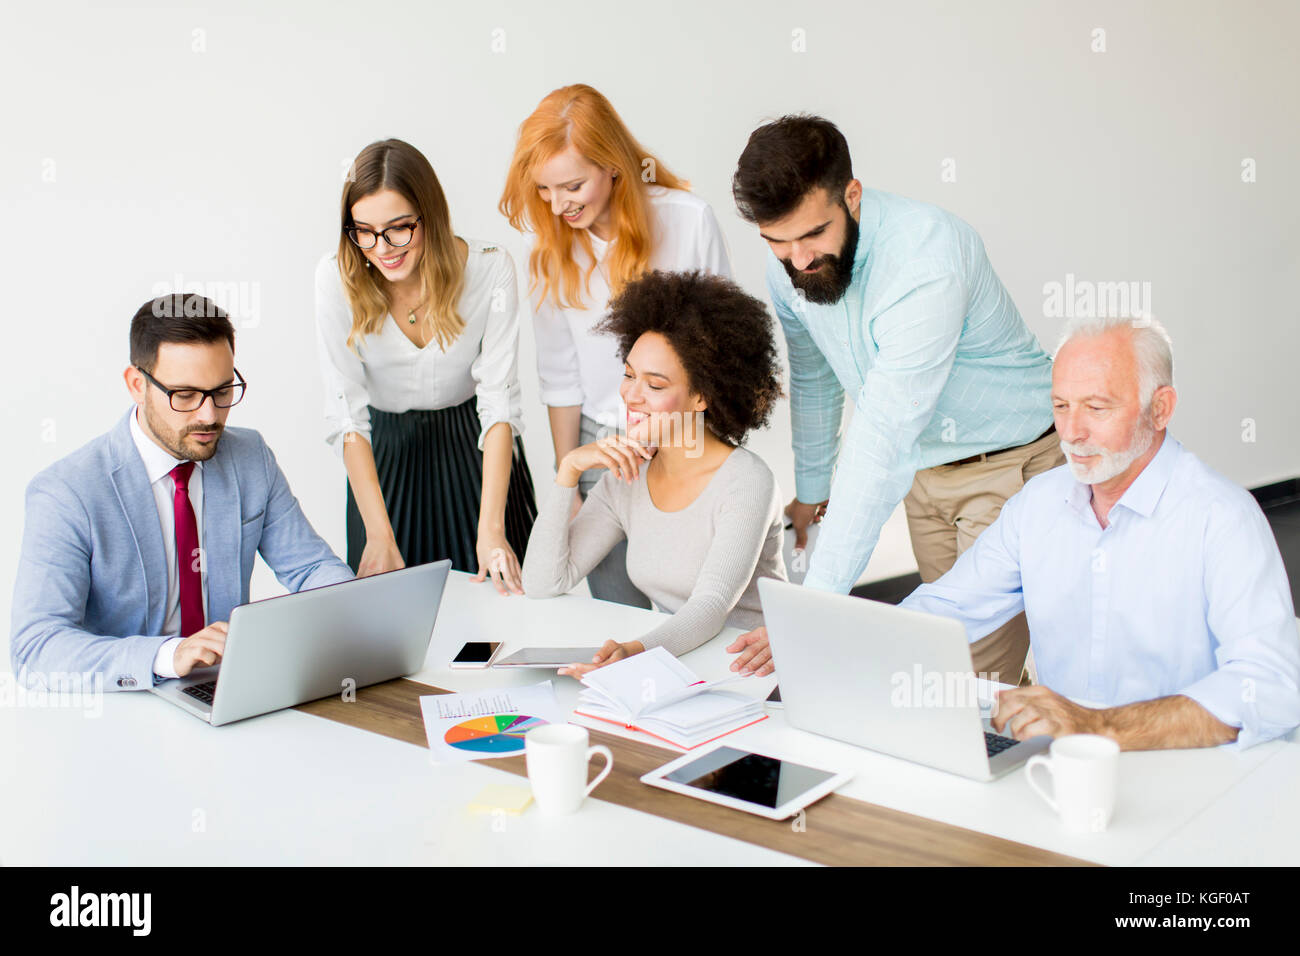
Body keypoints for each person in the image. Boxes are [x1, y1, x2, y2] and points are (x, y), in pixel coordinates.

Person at [728, 114, 1062, 684]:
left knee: (968, 678)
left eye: (813, 234)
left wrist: (812, 610)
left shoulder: (926, 257)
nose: (798, 260)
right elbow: (814, 375)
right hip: (925, 477)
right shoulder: (786, 262)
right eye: (777, 241)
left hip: (1009, 466)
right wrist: (812, 493)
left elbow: (882, 438)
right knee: (958, 669)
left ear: (851, 196)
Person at [897, 315, 1300, 750]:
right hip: (1064, 766)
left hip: (1186, 768)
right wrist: (852, 643)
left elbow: (1272, 685)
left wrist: (1099, 725)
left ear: (1160, 408)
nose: (1071, 433)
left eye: (1096, 408)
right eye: (1061, 406)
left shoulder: (1221, 517)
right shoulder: (1037, 504)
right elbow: (947, 606)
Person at [10, 294, 354, 690]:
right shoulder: (66, 493)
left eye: (222, 392)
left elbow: (312, 568)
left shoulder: (250, 457)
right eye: (185, 396)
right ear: (137, 385)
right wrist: (167, 656)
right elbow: (35, 649)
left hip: (229, 689)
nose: (209, 416)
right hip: (127, 703)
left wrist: (346, 611)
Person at [500, 83, 732, 609]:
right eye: (543, 189)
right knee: (618, 618)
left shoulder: (688, 219)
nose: (557, 205)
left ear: (611, 165)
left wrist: (693, 448)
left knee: (697, 609)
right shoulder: (546, 248)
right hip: (604, 449)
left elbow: (721, 350)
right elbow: (560, 380)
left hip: (688, 438)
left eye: (573, 186)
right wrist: (572, 481)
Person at [521, 271, 786, 675]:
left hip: (754, 669)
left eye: (655, 386)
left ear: (701, 396)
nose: (631, 395)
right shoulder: (627, 474)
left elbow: (711, 606)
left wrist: (635, 652)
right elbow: (544, 582)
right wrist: (570, 468)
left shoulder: (748, 482)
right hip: (679, 662)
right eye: (629, 375)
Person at [317, 138, 537, 593]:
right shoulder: (334, 278)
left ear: (429, 216)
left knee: (498, 609)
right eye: (364, 231)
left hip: (475, 449)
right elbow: (346, 416)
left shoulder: (490, 269)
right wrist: (378, 533)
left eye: (399, 228)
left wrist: (491, 528)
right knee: (389, 620)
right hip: (384, 458)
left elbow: (498, 404)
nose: (383, 248)